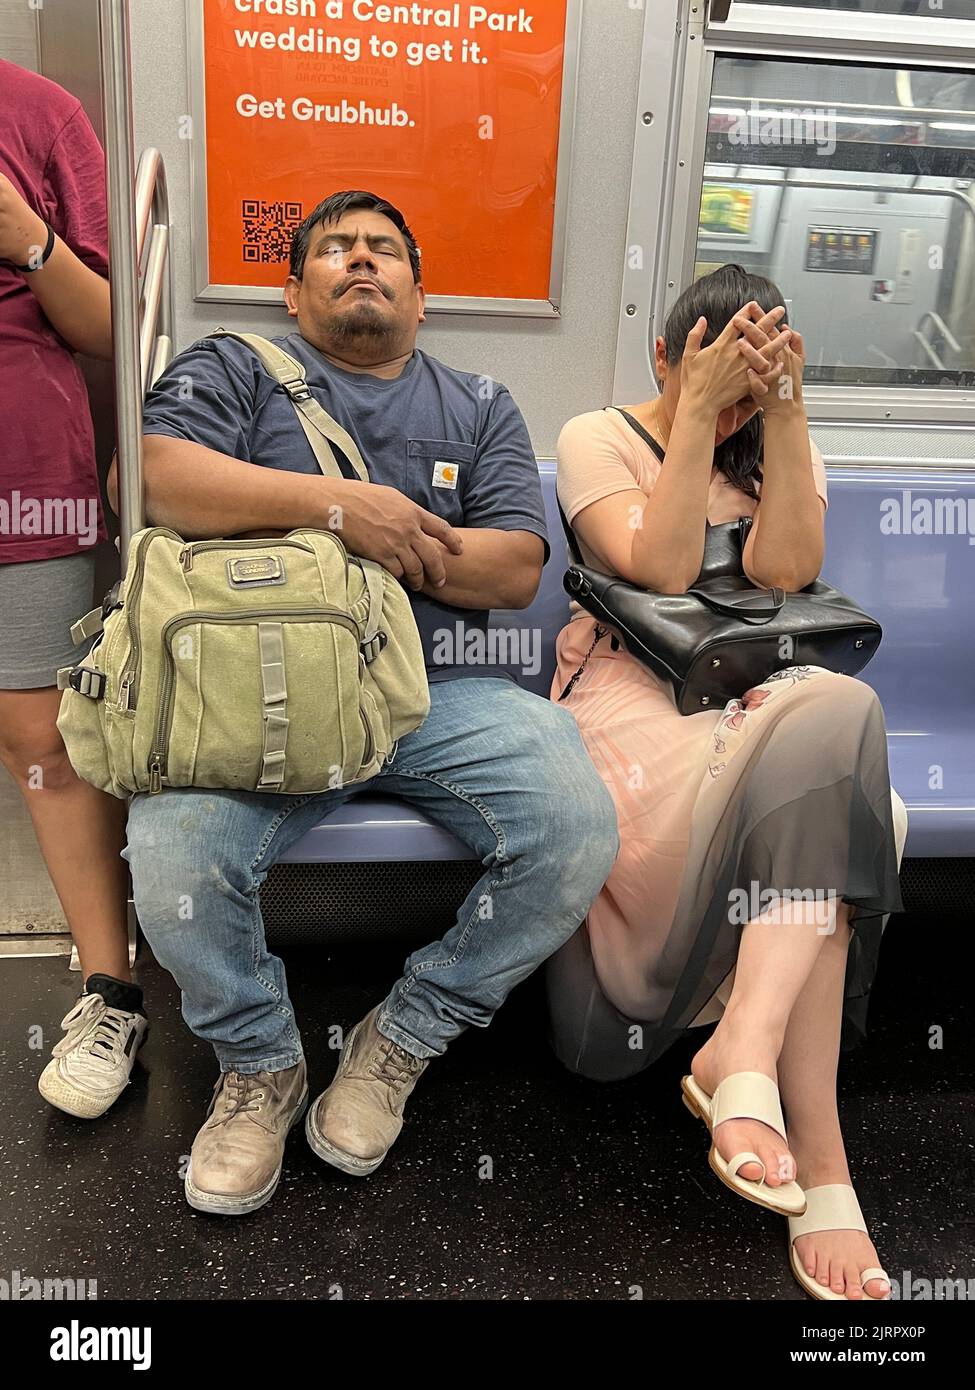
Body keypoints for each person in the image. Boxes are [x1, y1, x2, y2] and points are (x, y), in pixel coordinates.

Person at [116, 189, 619, 1216]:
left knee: (576, 820)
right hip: (251, 702)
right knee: (169, 853)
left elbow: (516, 568)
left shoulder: (478, 403)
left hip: (435, 697)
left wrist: (396, 546)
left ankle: (403, 1034)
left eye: (384, 249)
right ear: (292, 293)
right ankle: (260, 1061)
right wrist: (345, 512)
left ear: (420, 295)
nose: (360, 260)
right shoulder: (233, 370)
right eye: (334, 250)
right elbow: (159, 479)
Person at [547, 264, 907, 1301]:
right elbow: (656, 568)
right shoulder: (597, 435)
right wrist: (697, 413)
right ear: (666, 356)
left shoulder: (771, 442)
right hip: (629, 700)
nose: (735, 398)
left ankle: (742, 1051)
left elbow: (787, 570)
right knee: (851, 794)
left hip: (759, 699)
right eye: (713, 370)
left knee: (838, 730)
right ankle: (828, 1167)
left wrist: (783, 419)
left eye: (753, 379)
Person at [0, 58, 148, 1118]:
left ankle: (110, 988)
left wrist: (29, 242)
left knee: (44, 738)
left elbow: (110, 326)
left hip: (24, 471)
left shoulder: (44, 112)